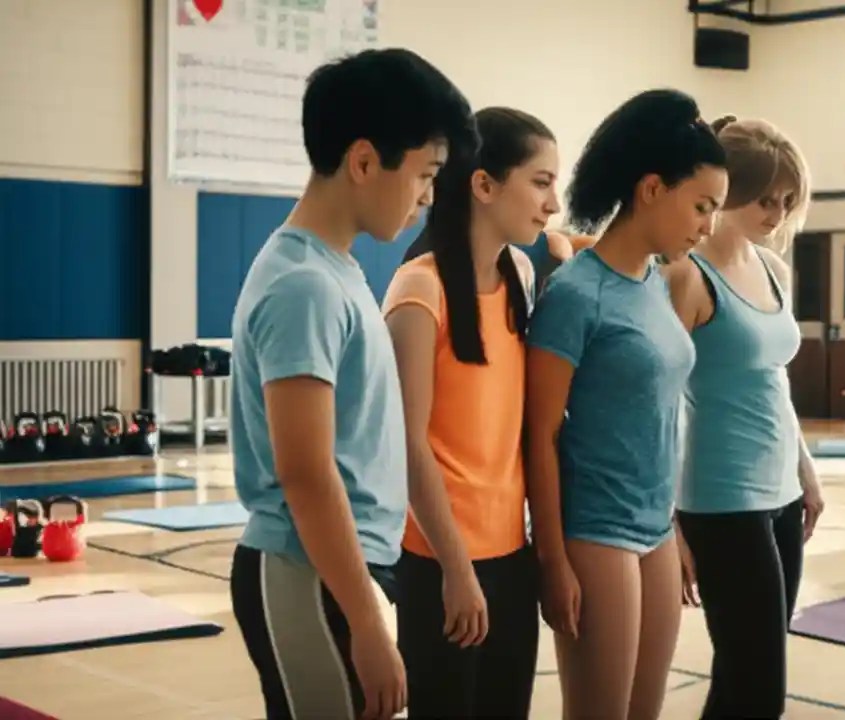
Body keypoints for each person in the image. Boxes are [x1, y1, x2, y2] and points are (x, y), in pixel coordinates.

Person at [226, 48, 473, 720]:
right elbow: (306, 472)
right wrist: (365, 620)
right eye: (424, 175)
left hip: (337, 571)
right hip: (309, 574)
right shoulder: (305, 285)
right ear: (364, 162)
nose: (427, 198)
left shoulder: (334, 270)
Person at [523, 88, 728, 720]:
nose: (708, 225)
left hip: (655, 531)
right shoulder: (577, 296)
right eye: (701, 206)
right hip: (594, 533)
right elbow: (539, 436)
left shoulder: (655, 284)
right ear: (650, 190)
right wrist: (553, 560)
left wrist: (673, 527)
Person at [380, 106, 560, 718]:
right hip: (441, 562)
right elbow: (409, 446)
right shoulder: (419, 289)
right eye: (540, 182)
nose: (553, 202)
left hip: (512, 558)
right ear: (483, 185)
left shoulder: (522, 273)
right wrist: (457, 571)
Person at [663, 114, 822, 719]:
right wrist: (670, 524)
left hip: (781, 495)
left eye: (788, 201)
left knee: (739, 679)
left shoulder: (773, 269)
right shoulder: (685, 275)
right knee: (760, 693)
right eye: (765, 198)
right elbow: (658, 404)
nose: (777, 213)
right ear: (727, 188)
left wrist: (807, 472)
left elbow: (774, 383)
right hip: (721, 503)